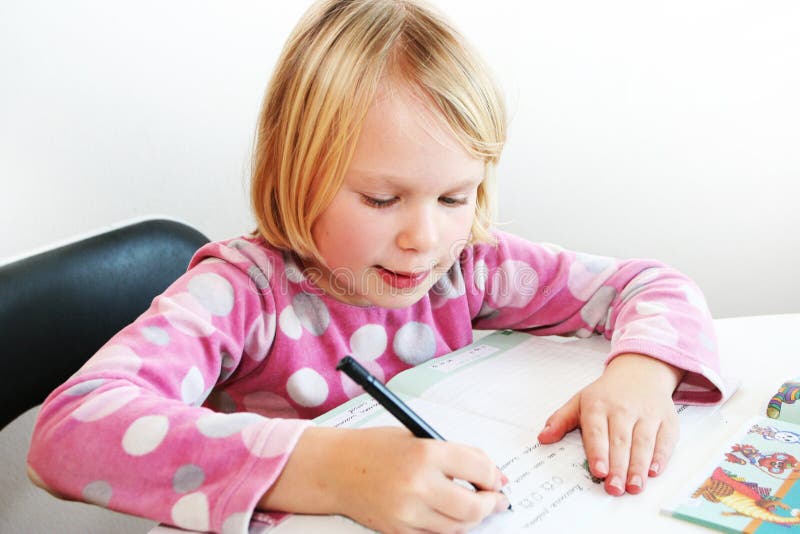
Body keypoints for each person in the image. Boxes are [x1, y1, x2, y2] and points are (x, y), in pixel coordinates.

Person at [27, 1, 730, 532]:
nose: (425, 238)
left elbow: (651, 285)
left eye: (456, 195)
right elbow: (69, 433)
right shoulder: (242, 293)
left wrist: (642, 373)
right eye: (381, 198)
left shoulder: (472, 265)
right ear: (296, 173)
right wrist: (330, 470)